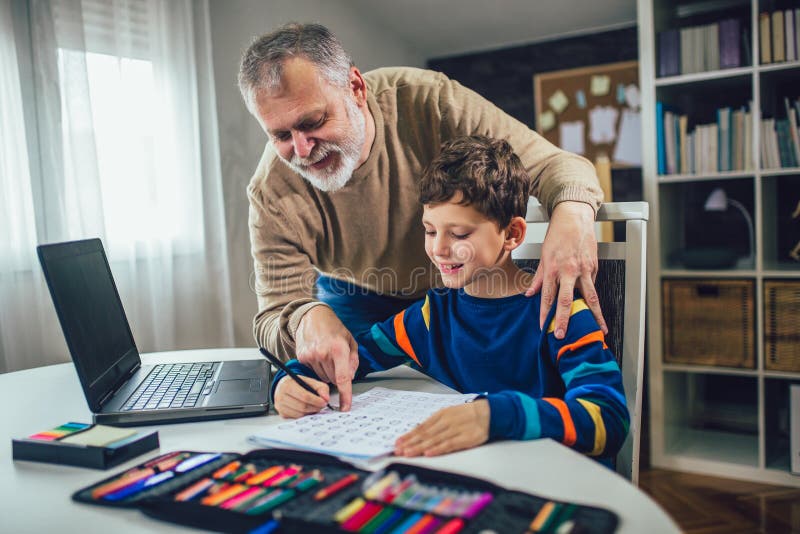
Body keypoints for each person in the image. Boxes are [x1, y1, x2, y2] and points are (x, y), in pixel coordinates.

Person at [239, 22, 606, 411]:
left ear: (356, 89)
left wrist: (573, 218)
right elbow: (273, 315)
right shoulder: (272, 192)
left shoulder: (427, 100)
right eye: (280, 135)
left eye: (313, 122)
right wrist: (306, 317)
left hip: (459, 295)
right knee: (352, 405)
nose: (301, 148)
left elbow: (555, 165)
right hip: (357, 298)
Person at [272, 136, 629, 465]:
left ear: (512, 234)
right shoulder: (430, 317)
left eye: (458, 233)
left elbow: (608, 419)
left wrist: (495, 415)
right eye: (430, 230)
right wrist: (290, 381)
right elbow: (346, 359)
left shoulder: (558, 314)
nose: (439, 249)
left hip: (549, 482)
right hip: (472, 479)